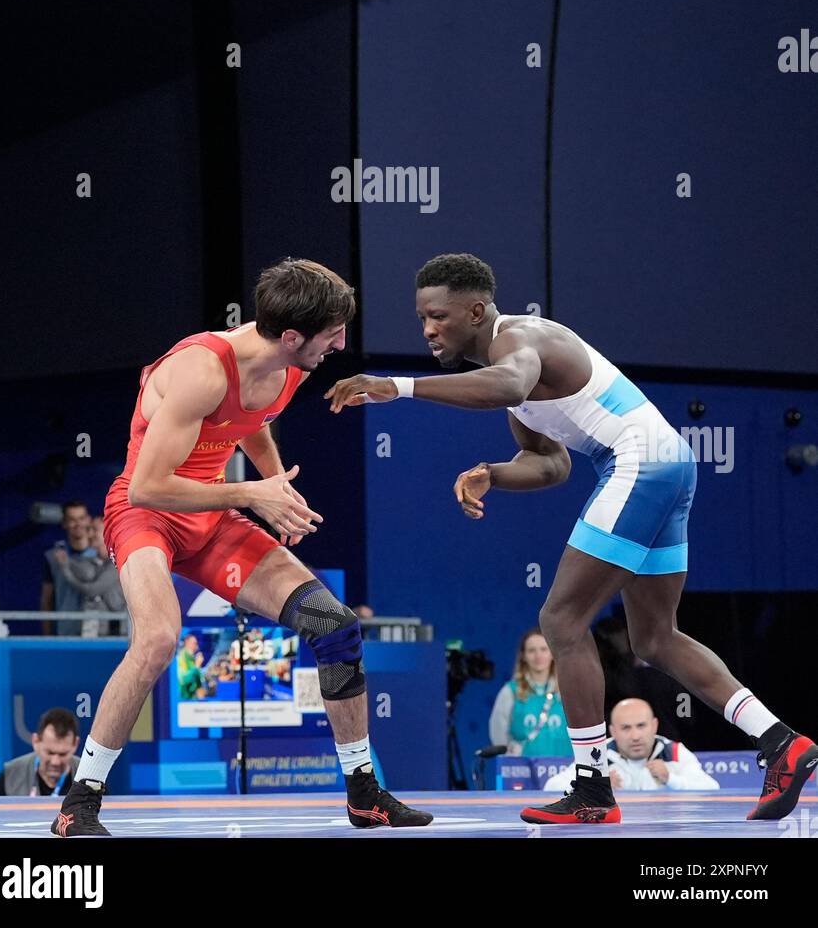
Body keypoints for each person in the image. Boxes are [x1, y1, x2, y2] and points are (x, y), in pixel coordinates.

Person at [327, 252, 818, 825]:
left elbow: (504, 383)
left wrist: (397, 387)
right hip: (667, 464)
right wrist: (495, 473)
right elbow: (551, 464)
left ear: (477, 311)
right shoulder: (515, 379)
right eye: (421, 319)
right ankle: (782, 741)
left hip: (640, 466)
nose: (428, 329)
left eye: (437, 316)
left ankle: (590, 787)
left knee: (561, 621)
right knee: (656, 638)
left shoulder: (522, 340)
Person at [50, 258, 431, 836]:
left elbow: (254, 419)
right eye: (334, 333)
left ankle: (364, 795)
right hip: (145, 512)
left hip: (211, 513)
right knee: (157, 638)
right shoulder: (200, 371)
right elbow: (151, 485)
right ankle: (79, 803)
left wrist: (278, 488)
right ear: (293, 336)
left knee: (335, 626)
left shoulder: (288, 366)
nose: (343, 343)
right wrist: (253, 493)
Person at [543, 698, 719, 792]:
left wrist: (671, 779)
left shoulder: (674, 752)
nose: (635, 736)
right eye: (626, 728)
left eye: (641, 726)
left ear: (654, 725)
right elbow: (551, 787)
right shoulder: (598, 754)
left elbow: (712, 788)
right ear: (613, 731)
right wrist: (595, 784)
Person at [489, 628, 570, 757]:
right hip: (523, 772)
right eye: (532, 650)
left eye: (544, 649)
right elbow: (499, 734)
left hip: (564, 770)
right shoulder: (510, 691)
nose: (538, 656)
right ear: (523, 656)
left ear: (552, 653)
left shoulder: (568, 690)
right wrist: (511, 758)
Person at [53, 515, 127, 637]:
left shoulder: (119, 562)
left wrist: (66, 570)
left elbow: (91, 590)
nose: (89, 534)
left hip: (119, 632)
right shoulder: (91, 561)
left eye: (94, 529)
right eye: (89, 530)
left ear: (109, 532)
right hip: (94, 628)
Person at [0, 708, 80, 796]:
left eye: (63, 754)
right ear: (36, 741)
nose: (55, 762)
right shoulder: (11, 774)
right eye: (50, 753)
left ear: (75, 744)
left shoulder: (89, 777)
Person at [41, 501, 96, 637]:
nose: (78, 524)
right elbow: (47, 600)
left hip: (98, 631)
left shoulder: (104, 554)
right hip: (65, 631)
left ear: (88, 520)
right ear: (64, 523)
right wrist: (47, 636)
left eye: (81, 519)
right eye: (72, 520)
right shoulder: (52, 557)